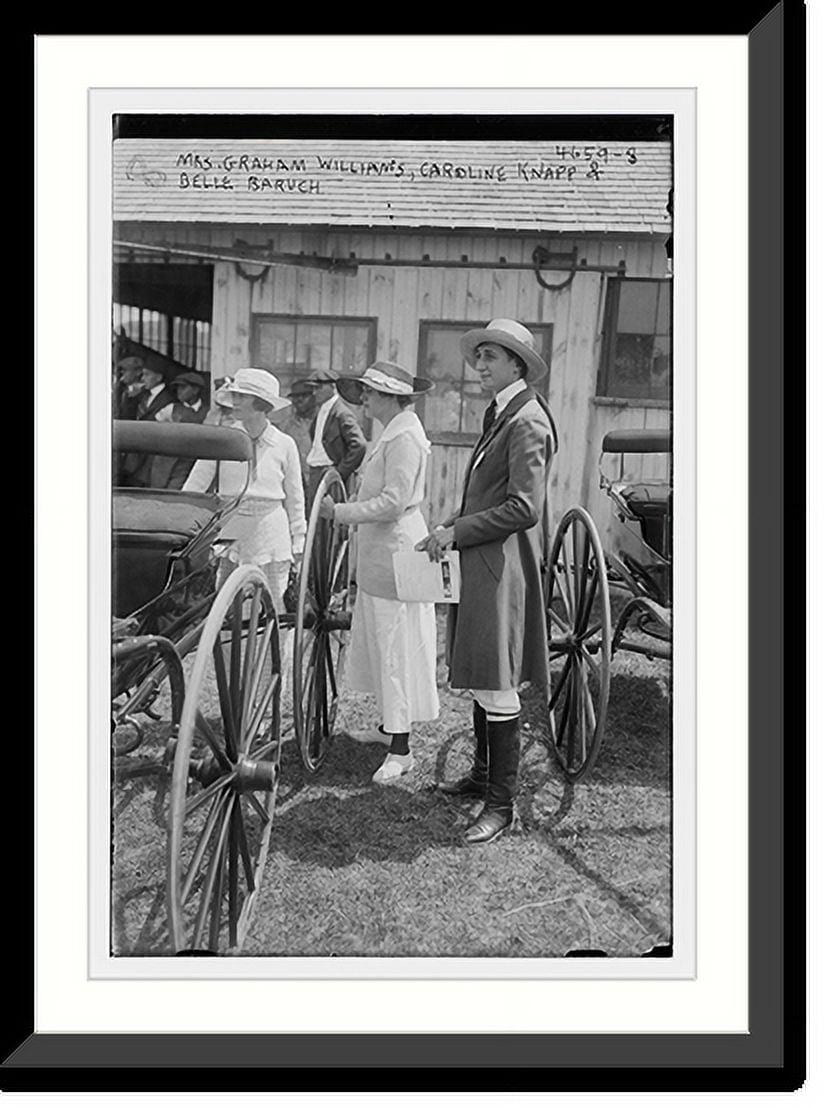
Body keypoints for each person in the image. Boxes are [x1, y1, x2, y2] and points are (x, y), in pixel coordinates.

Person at [417, 319, 557, 845]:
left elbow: (525, 508)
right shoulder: (503, 411)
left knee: (498, 684)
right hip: (481, 558)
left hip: (501, 564)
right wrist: (452, 525)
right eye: (478, 358)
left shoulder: (528, 422)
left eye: (490, 359)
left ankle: (502, 805)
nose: (478, 367)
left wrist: (457, 530)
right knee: (481, 672)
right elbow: (486, 493)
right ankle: (481, 775)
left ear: (516, 365)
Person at [318, 361, 438, 785]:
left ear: (390, 396)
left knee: (395, 651)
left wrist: (342, 512)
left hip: (396, 554)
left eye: (369, 392)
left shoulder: (405, 435)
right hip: (380, 555)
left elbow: (393, 501)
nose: (364, 399)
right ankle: (390, 727)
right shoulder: (394, 431)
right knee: (383, 644)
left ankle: (402, 751)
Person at [183, 368, 306, 615]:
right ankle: (227, 654)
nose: (234, 402)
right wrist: (182, 524)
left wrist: (299, 540)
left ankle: (273, 653)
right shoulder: (223, 438)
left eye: (242, 396)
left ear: (261, 404)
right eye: (234, 395)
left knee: (274, 602)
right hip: (232, 527)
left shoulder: (284, 444)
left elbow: (295, 498)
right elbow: (194, 486)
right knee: (226, 604)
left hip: (271, 530)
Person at [305, 368, 367, 505]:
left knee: (330, 521)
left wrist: (340, 471)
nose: (315, 393)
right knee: (314, 519)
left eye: (319, 388)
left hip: (329, 474)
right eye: (313, 389)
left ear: (333, 387)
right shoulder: (321, 411)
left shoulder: (341, 413)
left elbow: (359, 445)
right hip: (316, 474)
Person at [149, 371, 209, 489]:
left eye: (183, 387)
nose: (179, 391)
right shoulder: (171, 409)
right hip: (168, 460)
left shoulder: (208, 412)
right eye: (177, 388)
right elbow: (155, 428)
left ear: (196, 390)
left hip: (192, 460)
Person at [276, 380, 318, 505]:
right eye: (296, 397)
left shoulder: (323, 423)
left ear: (313, 398)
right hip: (294, 485)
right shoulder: (285, 427)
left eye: (304, 396)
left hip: (319, 484)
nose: (299, 400)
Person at [113, 355, 146, 420]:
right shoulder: (121, 388)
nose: (122, 373)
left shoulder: (144, 393)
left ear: (138, 372)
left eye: (126, 370)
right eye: (122, 370)